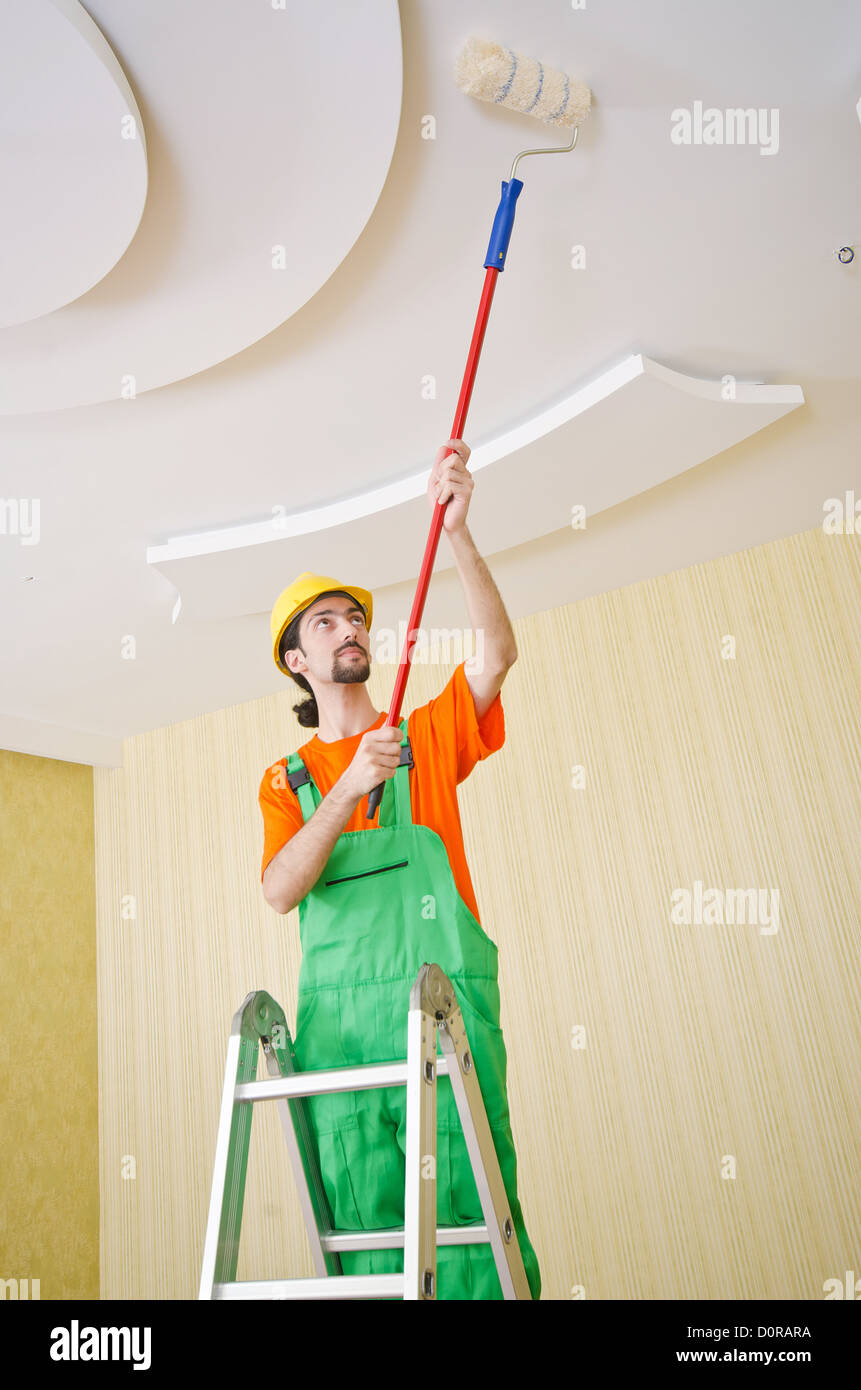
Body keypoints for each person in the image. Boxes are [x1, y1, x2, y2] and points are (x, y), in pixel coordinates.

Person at [258, 438, 541, 1299]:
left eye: (354, 618)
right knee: (362, 1224)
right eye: (325, 622)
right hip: (342, 1045)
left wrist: (457, 533)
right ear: (297, 662)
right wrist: (348, 785)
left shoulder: (426, 737)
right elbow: (278, 889)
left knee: (467, 1213)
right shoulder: (290, 780)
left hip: (440, 1016)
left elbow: (496, 657)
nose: (349, 629)